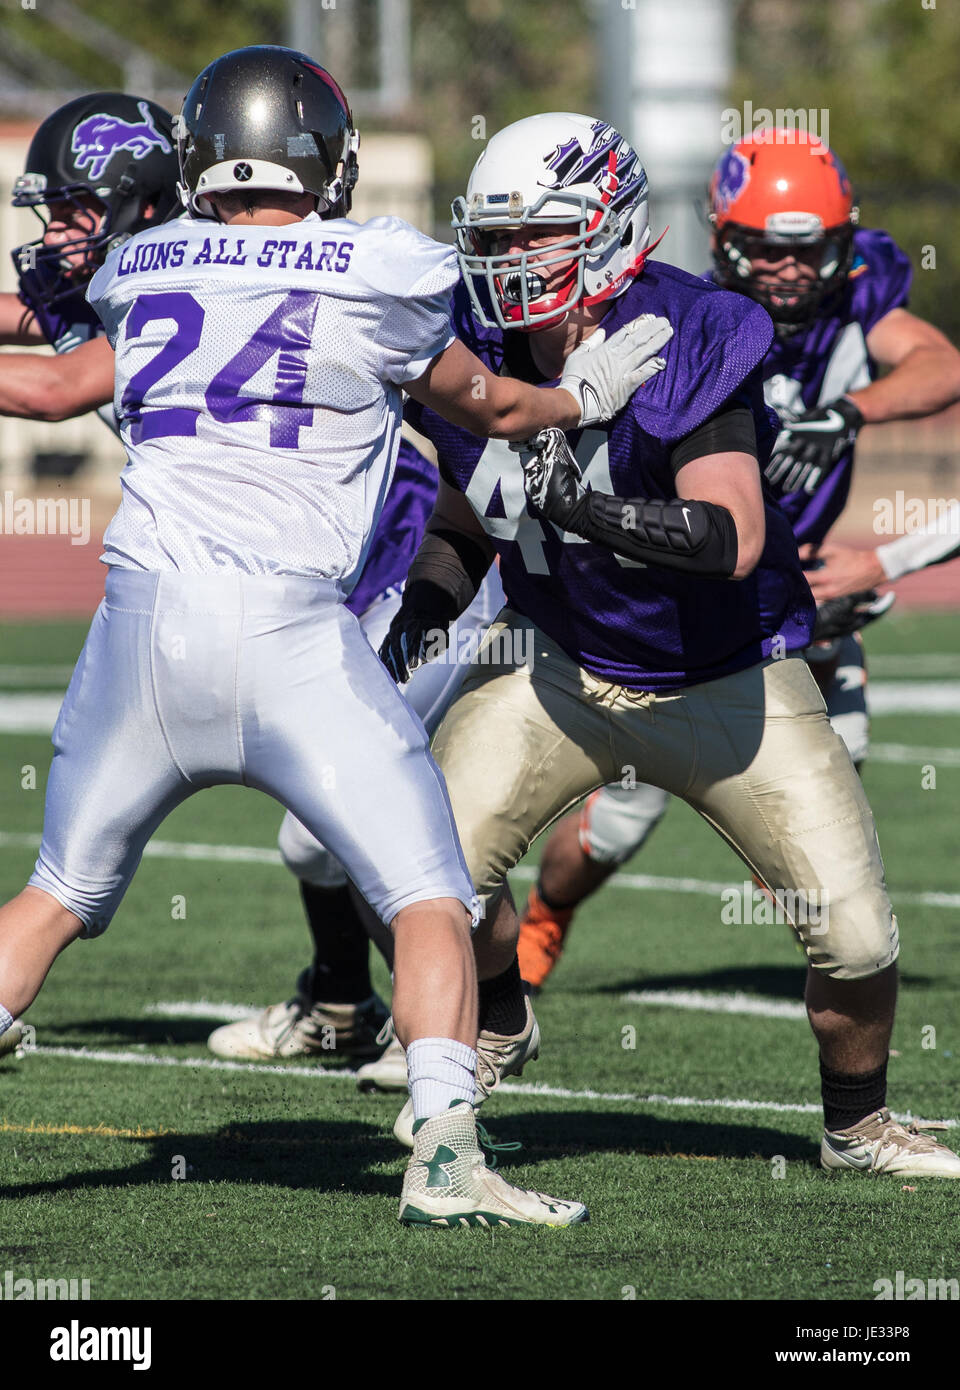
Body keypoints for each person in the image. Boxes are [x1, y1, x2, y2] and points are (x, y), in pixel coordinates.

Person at [0, 48, 670, 1226]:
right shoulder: (387, 264)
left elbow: (62, 382)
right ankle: (448, 1153)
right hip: (296, 634)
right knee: (426, 896)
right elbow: (495, 406)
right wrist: (584, 394)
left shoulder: (142, 261)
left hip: (140, 623)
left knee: (55, 893)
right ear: (326, 155)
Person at [375, 113, 960, 1178]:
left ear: (606, 227)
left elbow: (730, 535)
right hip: (555, 663)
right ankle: (499, 1020)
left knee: (860, 942)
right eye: (496, 240)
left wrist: (587, 510)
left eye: (535, 236)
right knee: (414, 878)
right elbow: (477, 505)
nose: (507, 264)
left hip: (725, 672)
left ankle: (858, 1124)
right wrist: (424, 605)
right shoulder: (472, 338)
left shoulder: (693, 326)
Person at [517, 128, 960, 997]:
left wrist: (850, 414)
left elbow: (941, 364)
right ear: (725, 241)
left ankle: (841, 974)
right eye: (765, 247)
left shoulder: (859, 306)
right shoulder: (688, 313)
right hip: (683, 603)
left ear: (842, 247)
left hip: (799, 603)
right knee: (619, 825)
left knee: (842, 771)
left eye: (809, 249)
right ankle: (539, 927)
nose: (789, 268)